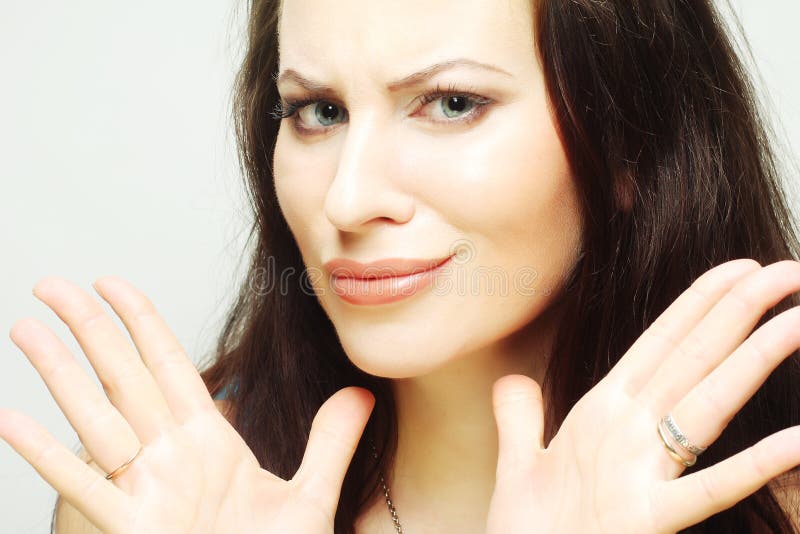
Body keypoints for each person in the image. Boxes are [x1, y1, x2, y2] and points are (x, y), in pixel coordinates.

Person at [2, 0, 799, 532]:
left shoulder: (782, 501)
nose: (346, 201)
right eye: (318, 111)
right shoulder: (160, 494)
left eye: (451, 103)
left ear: (628, 145)